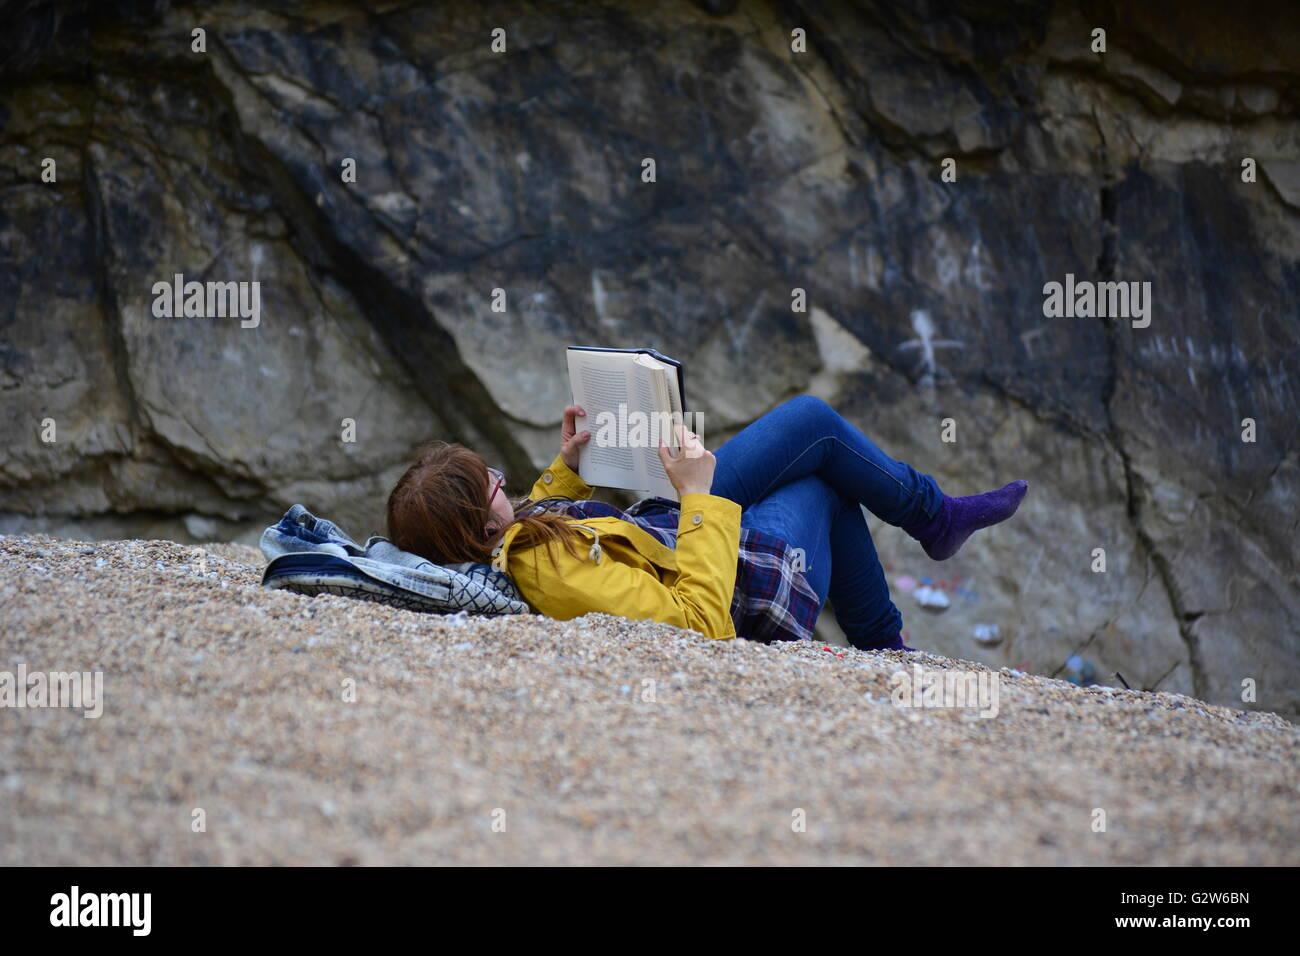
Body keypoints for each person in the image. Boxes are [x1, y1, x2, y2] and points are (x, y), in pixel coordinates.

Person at [386, 395, 1027, 650]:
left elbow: (540, 520)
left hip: (672, 531)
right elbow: (699, 624)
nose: (502, 480)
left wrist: (566, 469)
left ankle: (930, 530)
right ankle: (892, 629)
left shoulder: (516, 540)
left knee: (810, 426)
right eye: (487, 486)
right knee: (825, 480)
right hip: (738, 590)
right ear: (473, 529)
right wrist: (698, 495)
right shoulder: (545, 569)